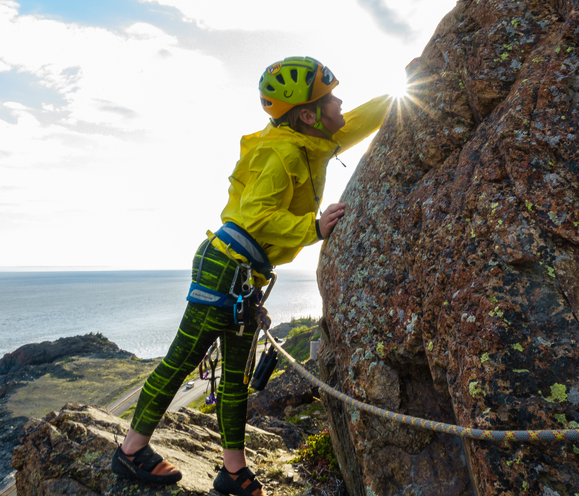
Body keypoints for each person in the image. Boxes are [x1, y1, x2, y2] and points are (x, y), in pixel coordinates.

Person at [110, 56, 392, 496]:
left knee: (237, 374)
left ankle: (234, 473)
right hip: (227, 268)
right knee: (180, 362)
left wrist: (402, 96)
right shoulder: (281, 151)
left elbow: (351, 123)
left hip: (241, 272)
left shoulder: (306, 137)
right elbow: (257, 216)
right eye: (330, 98)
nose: (339, 103)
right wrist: (312, 230)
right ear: (307, 114)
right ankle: (130, 452)